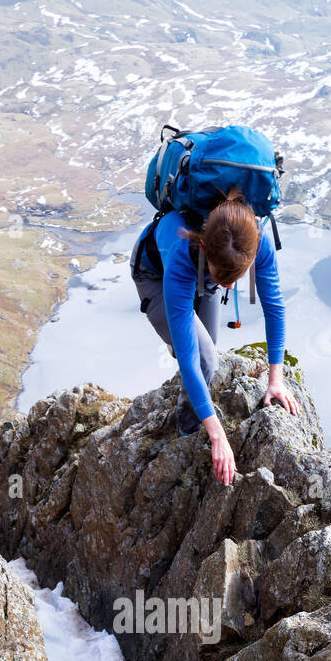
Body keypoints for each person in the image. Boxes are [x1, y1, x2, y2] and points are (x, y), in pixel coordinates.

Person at [130, 187, 298, 487]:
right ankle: (187, 427)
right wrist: (217, 434)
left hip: (207, 270)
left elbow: (275, 309)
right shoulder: (181, 252)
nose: (231, 288)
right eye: (226, 281)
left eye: (236, 279)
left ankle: (196, 401)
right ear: (205, 247)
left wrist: (276, 379)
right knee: (204, 358)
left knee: (209, 345)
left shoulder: (256, 240)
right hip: (155, 275)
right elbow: (192, 360)